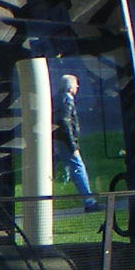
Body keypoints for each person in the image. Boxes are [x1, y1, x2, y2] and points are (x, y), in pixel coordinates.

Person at [55, 71, 100, 213]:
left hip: (59, 142)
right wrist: (73, 146)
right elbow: (65, 123)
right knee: (78, 169)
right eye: (76, 85)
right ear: (70, 87)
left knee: (68, 170)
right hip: (65, 142)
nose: (78, 87)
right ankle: (89, 201)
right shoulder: (66, 100)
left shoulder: (58, 98)